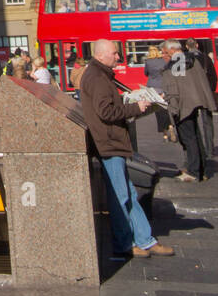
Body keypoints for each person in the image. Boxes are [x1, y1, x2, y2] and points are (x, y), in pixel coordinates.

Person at [79, 39, 172, 259]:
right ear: (100, 55)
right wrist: (136, 107)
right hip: (109, 143)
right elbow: (106, 113)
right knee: (120, 196)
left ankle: (145, 240)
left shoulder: (99, 74)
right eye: (115, 53)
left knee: (128, 192)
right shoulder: (97, 77)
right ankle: (124, 244)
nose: (119, 57)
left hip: (111, 142)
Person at [161, 40, 214, 183]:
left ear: (172, 51)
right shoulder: (192, 59)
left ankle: (193, 171)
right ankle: (201, 170)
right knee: (196, 136)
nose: (163, 56)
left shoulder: (173, 65)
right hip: (196, 101)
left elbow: (174, 88)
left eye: (164, 53)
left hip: (183, 105)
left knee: (189, 138)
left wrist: (172, 106)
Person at [142, 46, 174, 140]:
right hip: (163, 86)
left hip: (153, 89)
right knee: (166, 108)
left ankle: (164, 134)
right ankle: (171, 126)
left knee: (158, 111)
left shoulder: (148, 62)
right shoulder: (163, 60)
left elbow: (146, 73)